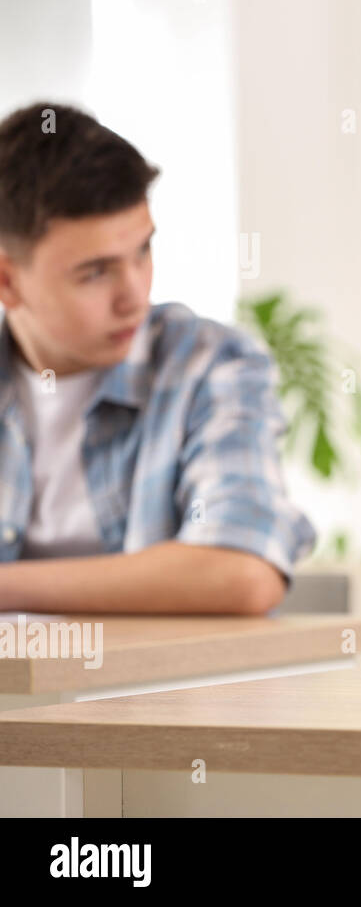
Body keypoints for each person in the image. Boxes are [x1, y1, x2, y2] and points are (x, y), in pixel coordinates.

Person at [0, 102, 315, 613]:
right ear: (8, 281)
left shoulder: (210, 365)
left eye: (142, 252)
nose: (134, 296)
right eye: (95, 272)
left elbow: (242, 572)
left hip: (160, 693)